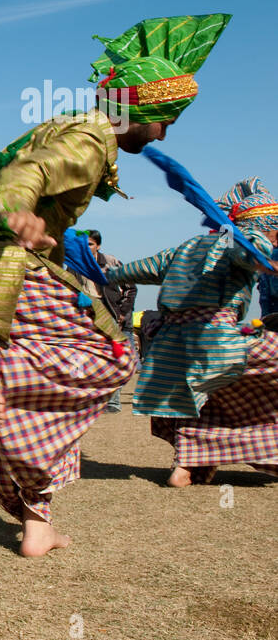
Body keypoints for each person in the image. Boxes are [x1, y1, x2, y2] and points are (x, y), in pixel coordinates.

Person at [0, 13, 229, 556]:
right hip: (0, 264)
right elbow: (24, 177)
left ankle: (37, 520)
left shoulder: (65, 124)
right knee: (115, 356)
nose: (164, 134)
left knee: (10, 402)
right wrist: (18, 211)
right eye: (166, 121)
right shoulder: (90, 139)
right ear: (146, 111)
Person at [106, 178, 278, 486]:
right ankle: (265, 449)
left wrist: (110, 272)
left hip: (171, 345)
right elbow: (248, 251)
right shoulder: (241, 240)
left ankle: (186, 466)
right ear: (266, 226)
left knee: (202, 396)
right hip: (216, 338)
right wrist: (260, 255)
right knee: (241, 378)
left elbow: (140, 268)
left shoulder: (188, 246)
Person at [86, 230, 138, 412]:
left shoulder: (111, 262)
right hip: (88, 317)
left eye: (91, 244)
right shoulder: (76, 265)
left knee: (116, 360)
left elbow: (130, 288)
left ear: (98, 245)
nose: (87, 247)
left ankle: (114, 403)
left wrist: (123, 312)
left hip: (111, 315)